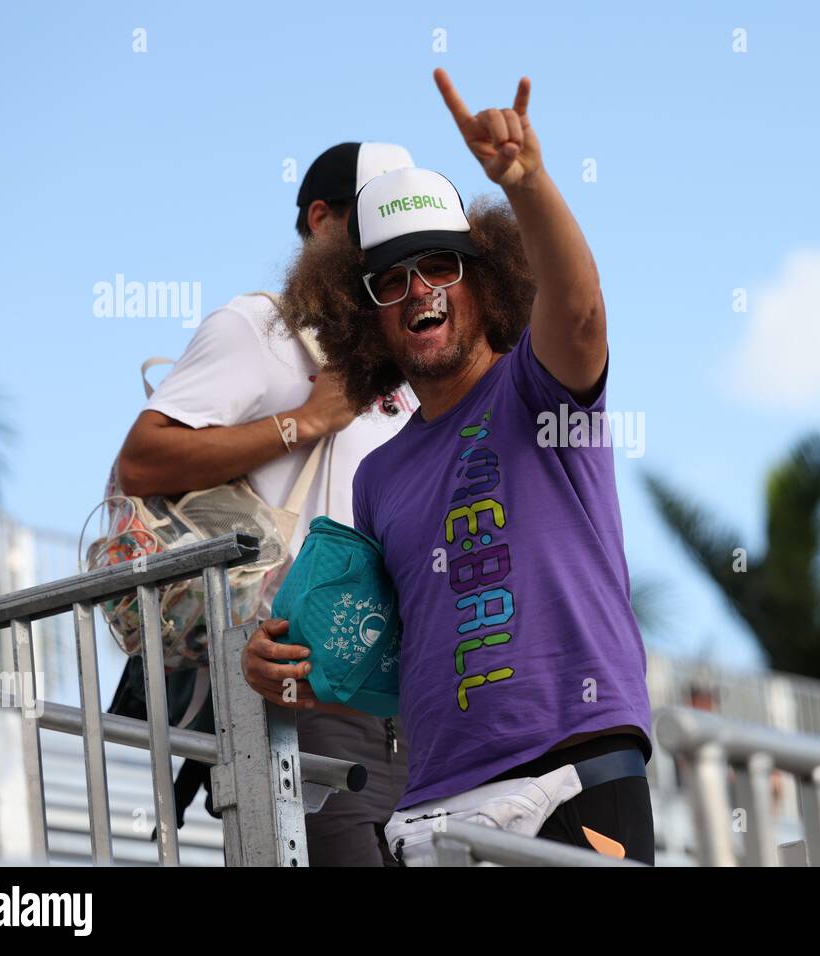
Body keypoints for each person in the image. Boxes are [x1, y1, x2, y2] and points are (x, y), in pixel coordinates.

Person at [242, 69, 655, 863]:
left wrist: (525, 181)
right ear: (369, 318)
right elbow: (378, 667)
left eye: (440, 265)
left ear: (486, 279)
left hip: (568, 775)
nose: (417, 291)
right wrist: (283, 675)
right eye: (389, 281)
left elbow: (579, 308)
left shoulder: (540, 386)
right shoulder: (378, 476)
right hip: (428, 812)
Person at [114, 142, 417, 866]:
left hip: (403, 695)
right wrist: (303, 422)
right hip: (300, 689)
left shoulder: (404, 362)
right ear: (322, 218)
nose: (393, 247)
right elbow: (143, 458)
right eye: (374, 219)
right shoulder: (259, 327)